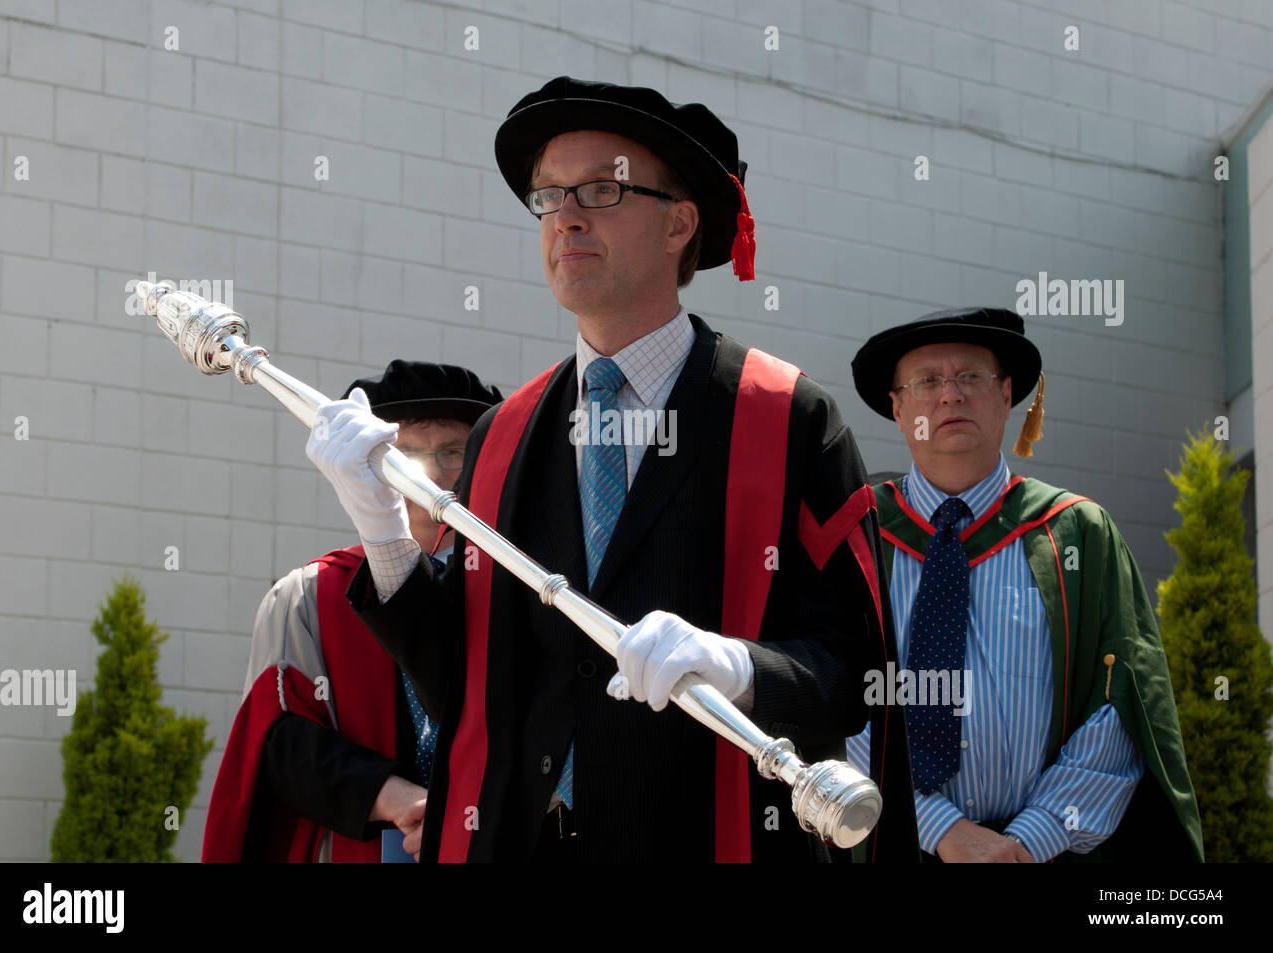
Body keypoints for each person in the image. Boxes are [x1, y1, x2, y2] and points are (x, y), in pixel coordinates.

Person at [306, 76, 919, 863]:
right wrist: (383, 532)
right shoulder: (506, 433)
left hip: (709, 838)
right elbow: (467, 688)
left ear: (681, 222)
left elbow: (853, 668)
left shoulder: (787, 417)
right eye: (550, 195)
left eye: (602, 188)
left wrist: (736, 665)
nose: (565, 215)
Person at [846, 306, 1203, 862]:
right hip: (893, 842)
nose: (950, 395)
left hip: (1043, 852)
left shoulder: (1078, 534)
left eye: (972, 377)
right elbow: (833, 695)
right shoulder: (855, 536)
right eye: (927, 381)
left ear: (1006, 395)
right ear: (897, 408)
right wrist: (940, 828)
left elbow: (1120, 702)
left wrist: (1029, 840)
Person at [201, 362, 502, 862]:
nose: (430, 473)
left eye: (454, 452)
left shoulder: (525, 587)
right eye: (402, 453)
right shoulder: (309, 594)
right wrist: (394, 797)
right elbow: (280, 740)